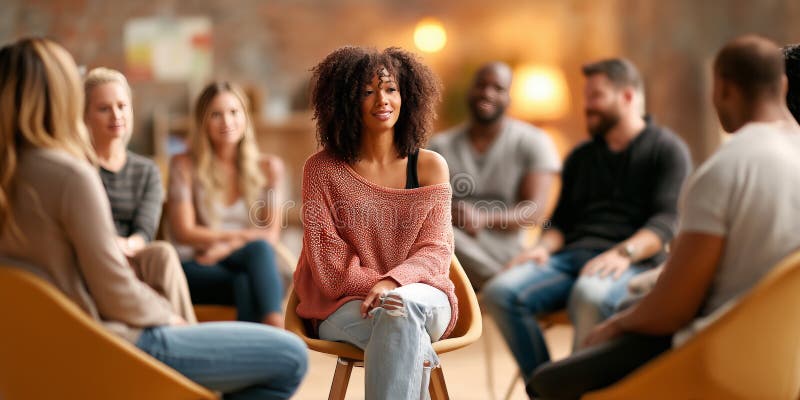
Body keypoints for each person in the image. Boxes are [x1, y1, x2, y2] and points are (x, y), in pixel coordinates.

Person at [0, 37, 306, 399]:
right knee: (291, 356)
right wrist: (168, 315)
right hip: (102, 340)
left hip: (35, 350)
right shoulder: (70, 175)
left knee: (247, 273)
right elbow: (114, 291)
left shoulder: (13, 171)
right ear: (65, 99)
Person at [529, 34, 800, 400]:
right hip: (784, 357)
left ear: (722, 89)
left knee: (546, 383)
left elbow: (673, 310)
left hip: (716, 352)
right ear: (782, 86)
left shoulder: (725, 169)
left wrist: (614, 326)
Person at [482, 58, 692, 381]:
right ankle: (548, 387)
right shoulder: (580, 157)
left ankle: (575, 387)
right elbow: (560, 222)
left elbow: (665, 222)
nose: (587, 106)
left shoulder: (667, 150)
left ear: (627, 96)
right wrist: (541, 249)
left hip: (632, 263)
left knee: (589, 295)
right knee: (500, 292)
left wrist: (623, 253)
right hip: (570, 259)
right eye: (585, 97)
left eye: (596, 96)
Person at [294, 46, 456, 399]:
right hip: (343, 303)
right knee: (399, 319)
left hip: (423, 295)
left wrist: (393, 283)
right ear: (344, 101)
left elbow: (436, 250)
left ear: (406, 95)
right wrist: (381, 287)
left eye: (390, 89)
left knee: (400, 308)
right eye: (367, 92)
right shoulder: (321, 170)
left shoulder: (429, 167)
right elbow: (329, 265)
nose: (382, 100)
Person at [429, 62, 561, 290]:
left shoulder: (533, 141)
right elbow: (424, 204)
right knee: (436, 234)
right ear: (469, 91)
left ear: (509, 98)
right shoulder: (440, 145)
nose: (487, 93)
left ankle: (500, 284)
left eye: (498, 88)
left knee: (441, 238)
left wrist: (483, 218)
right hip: (451, 245)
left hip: (505, 249)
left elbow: (535, 211)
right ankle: (504, 284)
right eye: (481, 85)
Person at [168, 81, 286, 327]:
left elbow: (271, 236)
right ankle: (277, 331)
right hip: (197, 263)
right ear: (202, 121)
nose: (227, 122)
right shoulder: (183, 165)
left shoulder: (270, 168)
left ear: (245, 116)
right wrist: (245, 236)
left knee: (250, 269)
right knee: (254, 264)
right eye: (216, 115)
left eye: (234, 112)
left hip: (240, 260)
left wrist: (225, 248)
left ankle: (263, 339)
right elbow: (184, 232)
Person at [83, 67, 196, 324]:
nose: (116, 115)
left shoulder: (147, 171)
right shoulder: (77, 169)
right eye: (104, 108)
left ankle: (189, 334)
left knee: (163, 253)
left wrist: (128, 247)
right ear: (85, 116)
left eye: (122, 106)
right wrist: (111, 249)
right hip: (93, 255)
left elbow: (145, 230)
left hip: (133, 251)